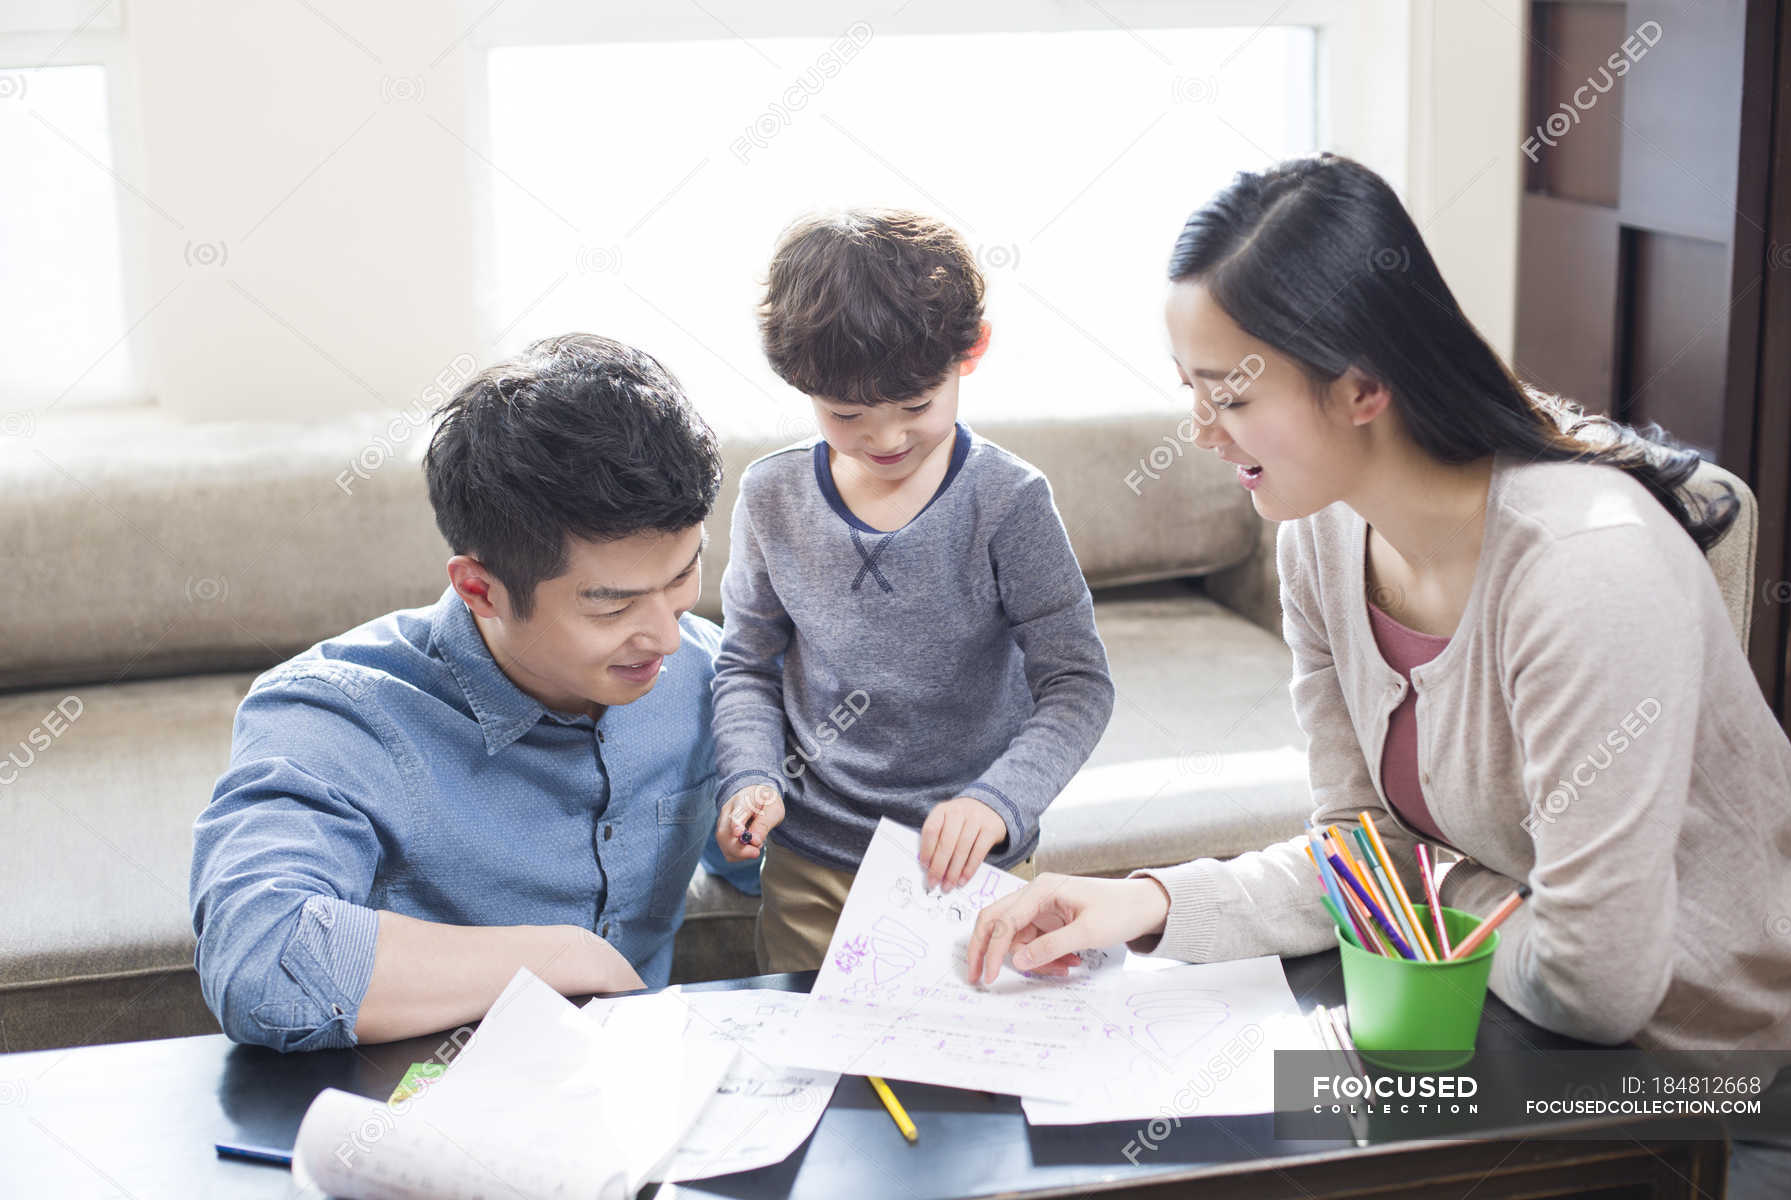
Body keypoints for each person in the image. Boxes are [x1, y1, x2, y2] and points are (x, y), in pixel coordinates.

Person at [962, 155, 1791, 1193]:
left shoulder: (1585, 572)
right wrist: (1146, 904)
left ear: (1362, 387)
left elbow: (1593, 984)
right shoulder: (1319, 539)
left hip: (1717, 1094)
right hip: (1518, 1047)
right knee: (1182, 1149)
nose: (1201, 432)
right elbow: (1361, 858)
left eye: (1231, 395)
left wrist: (1414, 880)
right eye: (1191, 390)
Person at [191, 333, 745, 1051]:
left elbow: (768, 861)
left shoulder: (708, 673)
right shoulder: (336, 713)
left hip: (648, 1090)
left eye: (682, 576)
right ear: (481, 590)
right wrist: (558, 959)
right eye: (612, 606)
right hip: (417, 1103)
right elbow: (258, 957)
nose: (667, 638)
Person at [711, 209, 1116, 972]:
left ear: (973, 351)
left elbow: (1078, 685)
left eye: (917, 406)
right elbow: (745, 665)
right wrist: (752, 775)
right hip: (811, 866)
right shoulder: (771, 496)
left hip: (974, 869)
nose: (887, 438)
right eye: (846, 414)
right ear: (800, 385)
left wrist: (998, 800)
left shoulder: (1009, 501)